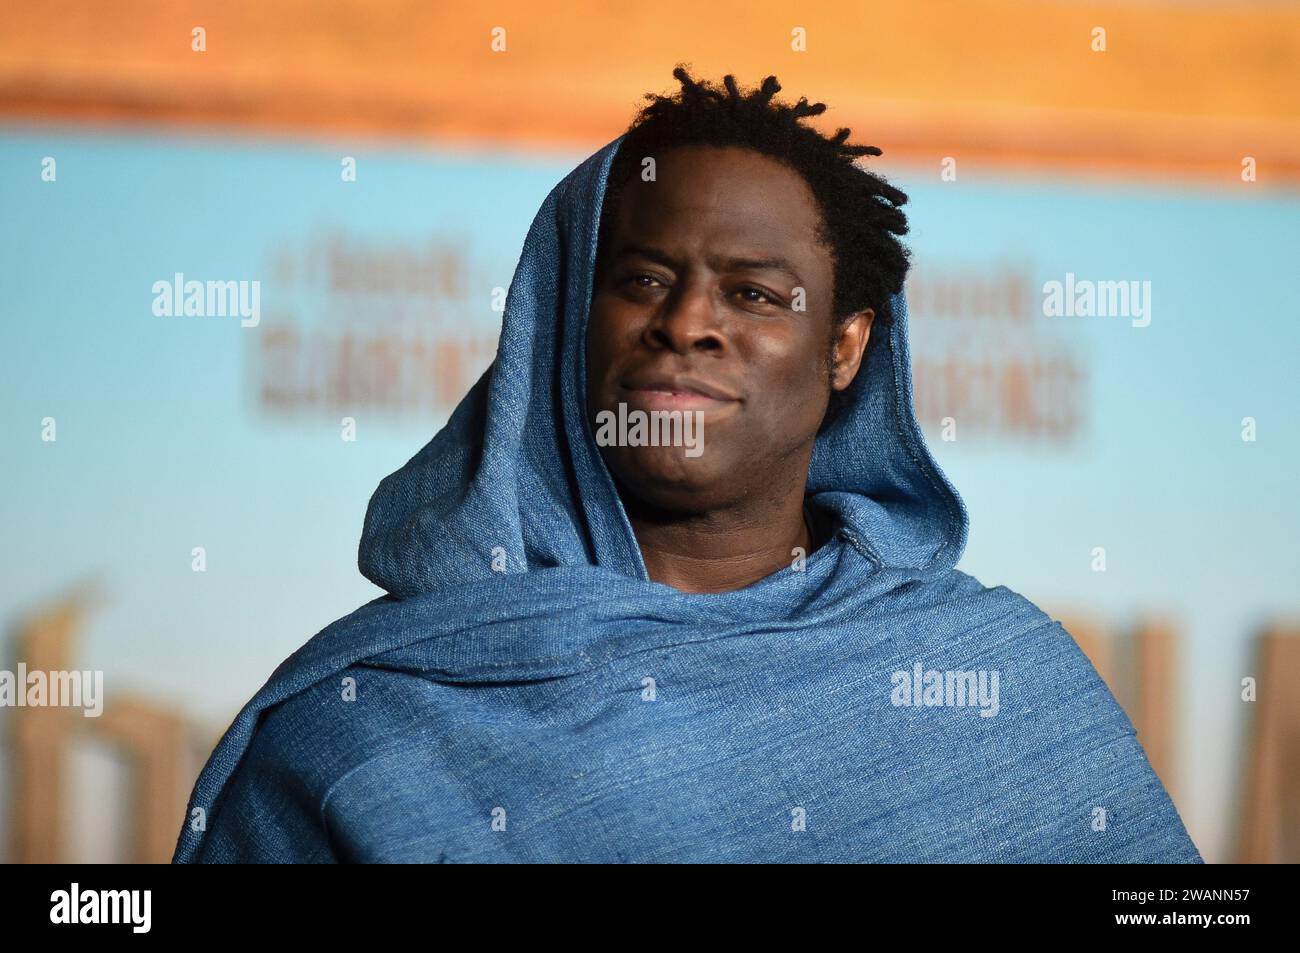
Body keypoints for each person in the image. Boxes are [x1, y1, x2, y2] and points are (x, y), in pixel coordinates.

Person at [173, 68, 1201, 863]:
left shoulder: (997, 684)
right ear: (565, 320)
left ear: (844, 348)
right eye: (642, 278)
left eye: (753, 293)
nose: (687, 322)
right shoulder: (369, 726)